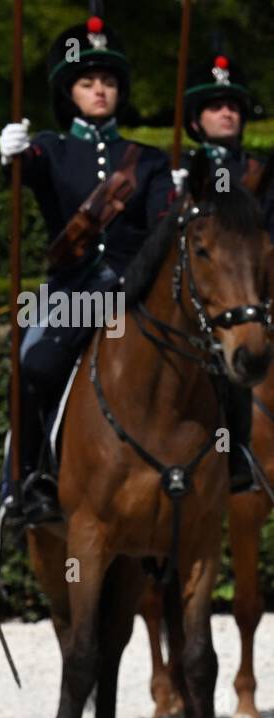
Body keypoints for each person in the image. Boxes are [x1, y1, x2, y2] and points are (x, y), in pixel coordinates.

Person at [0, 14, 171, 533]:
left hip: (132, 291)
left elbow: (163, 227)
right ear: (68, 91)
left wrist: (185, 199)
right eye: (88, 82)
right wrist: (9, 156)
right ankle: (25, 482)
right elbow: (21, 174)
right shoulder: (51, 148)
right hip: (71, 293)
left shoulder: (150, 160)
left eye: (109, 82)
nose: (100, 91)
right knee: (34, 362)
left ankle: (211, 471)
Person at [179, 50, 268, 493]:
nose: (227, 112)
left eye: (233, 105)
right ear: (195, 121)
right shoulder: (179, 172)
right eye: (215, 106)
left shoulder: (260, 172)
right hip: (200, 307)